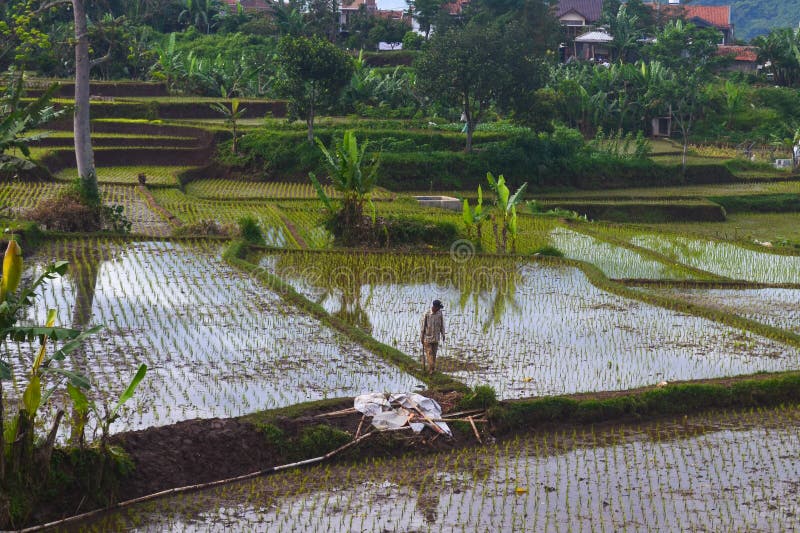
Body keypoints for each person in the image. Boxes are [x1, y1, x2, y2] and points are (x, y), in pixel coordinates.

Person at [420, 299, 445, 374]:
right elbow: (423, 326)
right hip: (427, 338)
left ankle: (431, 369)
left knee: (434, 354)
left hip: (436, 338)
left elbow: (442, 325)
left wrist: (443, 334)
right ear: (434, 307)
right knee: (429, 353)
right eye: (438, 307)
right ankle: (431, 369)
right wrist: (421, 337)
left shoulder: (440, 314)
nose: (439, 309)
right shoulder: (427, 314)